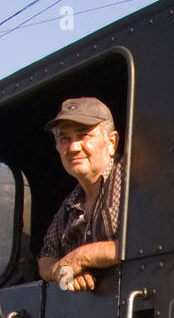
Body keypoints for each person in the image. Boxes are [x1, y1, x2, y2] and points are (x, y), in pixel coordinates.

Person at [38, 97, 124, 292]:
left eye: (83, 135)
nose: (73, 147)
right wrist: (62, 273)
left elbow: (148, 244)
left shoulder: (135, 181)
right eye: (64, 139)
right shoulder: (70, 203)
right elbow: (45, 259)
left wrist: (82, 257)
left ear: (111, 142)